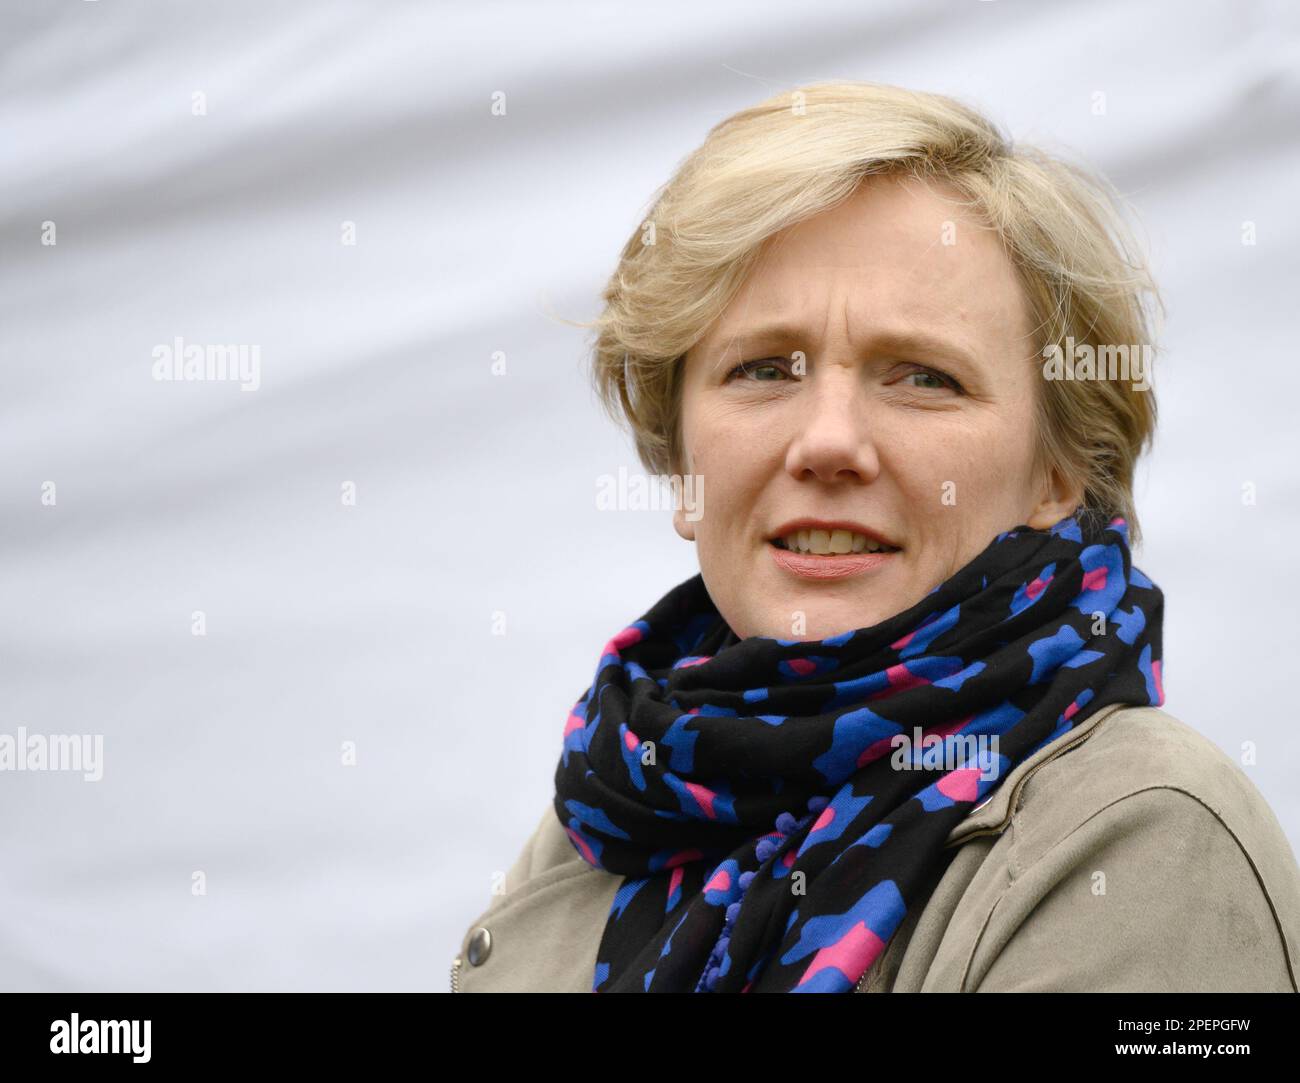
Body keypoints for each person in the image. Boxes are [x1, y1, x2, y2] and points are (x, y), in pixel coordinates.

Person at [451, 82, 1300, 993]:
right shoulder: (616, 802)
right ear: (682, 458)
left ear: (1060, 473)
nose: (827, 444)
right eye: (764, 368)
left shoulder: (1144, 838)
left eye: (924, 378)